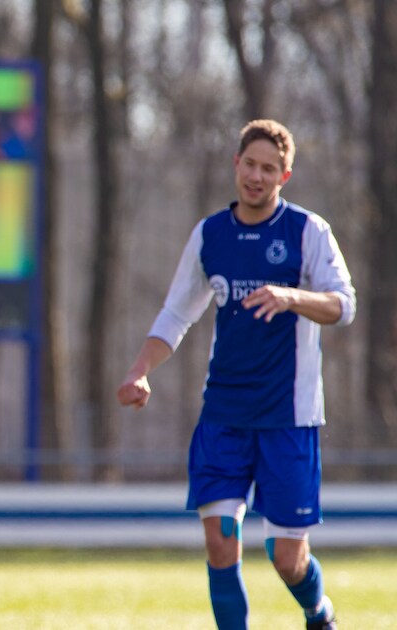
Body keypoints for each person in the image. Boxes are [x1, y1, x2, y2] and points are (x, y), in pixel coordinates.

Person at [116, 119, 354, 630]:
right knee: (221, 540)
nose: (256, 176)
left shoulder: (307, 232)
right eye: (250, 164)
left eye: (269, 168)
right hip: (223, 415)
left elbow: (343, 305)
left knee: (286, 558)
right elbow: (176, 314)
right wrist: (140, 370)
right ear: (236, 164)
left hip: (288, 418)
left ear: (284, 176)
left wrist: (293, 296)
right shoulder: (210, 235)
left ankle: (318, 611)